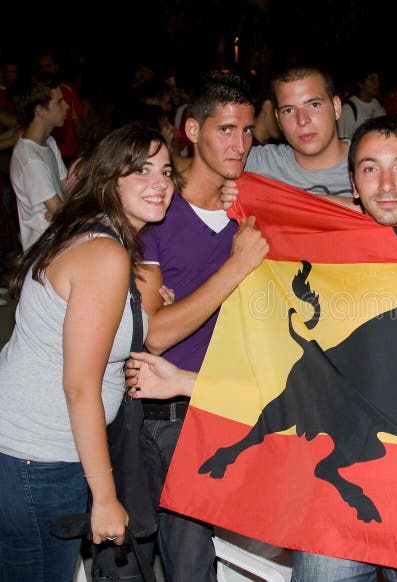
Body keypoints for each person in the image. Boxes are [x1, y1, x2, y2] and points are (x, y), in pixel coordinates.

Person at [128, 115, 397, 582]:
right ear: (352, 182)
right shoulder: (317, 258)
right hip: (333, 506)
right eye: (369, 169)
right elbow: (293, 379)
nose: (385, 184)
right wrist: (183, 381)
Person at [0, 123, 177, 582]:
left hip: (21, 451)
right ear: (108, 178)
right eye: (141, 170)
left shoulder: (91, 233)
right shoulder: (106, 254)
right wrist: (104, 496)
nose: (160, 183)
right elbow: (80, 386)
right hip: (37, 460)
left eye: (166, 170)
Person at [134, 70, 268, 582]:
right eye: (226, 129)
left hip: (235, 404)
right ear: (192, 130)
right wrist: (236, 266)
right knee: (183, 562)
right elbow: (156, 332)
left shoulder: (250, 207)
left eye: (248, 130)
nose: (240, 144)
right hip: (169, 418)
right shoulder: (156, 209)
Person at [240, 64, 355, 202]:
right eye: (288, 110)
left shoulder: (374, 164)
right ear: (278, 119)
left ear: (336, 107)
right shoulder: (257, 164)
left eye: (314, 105)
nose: (302, 120)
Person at [9, 73, 69, 250]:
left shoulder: (48, 141)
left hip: (56, 241)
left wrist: (63, 207)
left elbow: (68, 188)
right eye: (59, 102)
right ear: (40, 110)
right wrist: (62, 209)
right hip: (43, 251)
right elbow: (61, 213)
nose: (66, 106)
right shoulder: (31, 160)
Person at [336, 66, 386, 140]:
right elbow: (343, 142)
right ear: (360, 83)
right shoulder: (348, 110)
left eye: (378, 80)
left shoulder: (377, 103)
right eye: (372, 80)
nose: (377, 84)